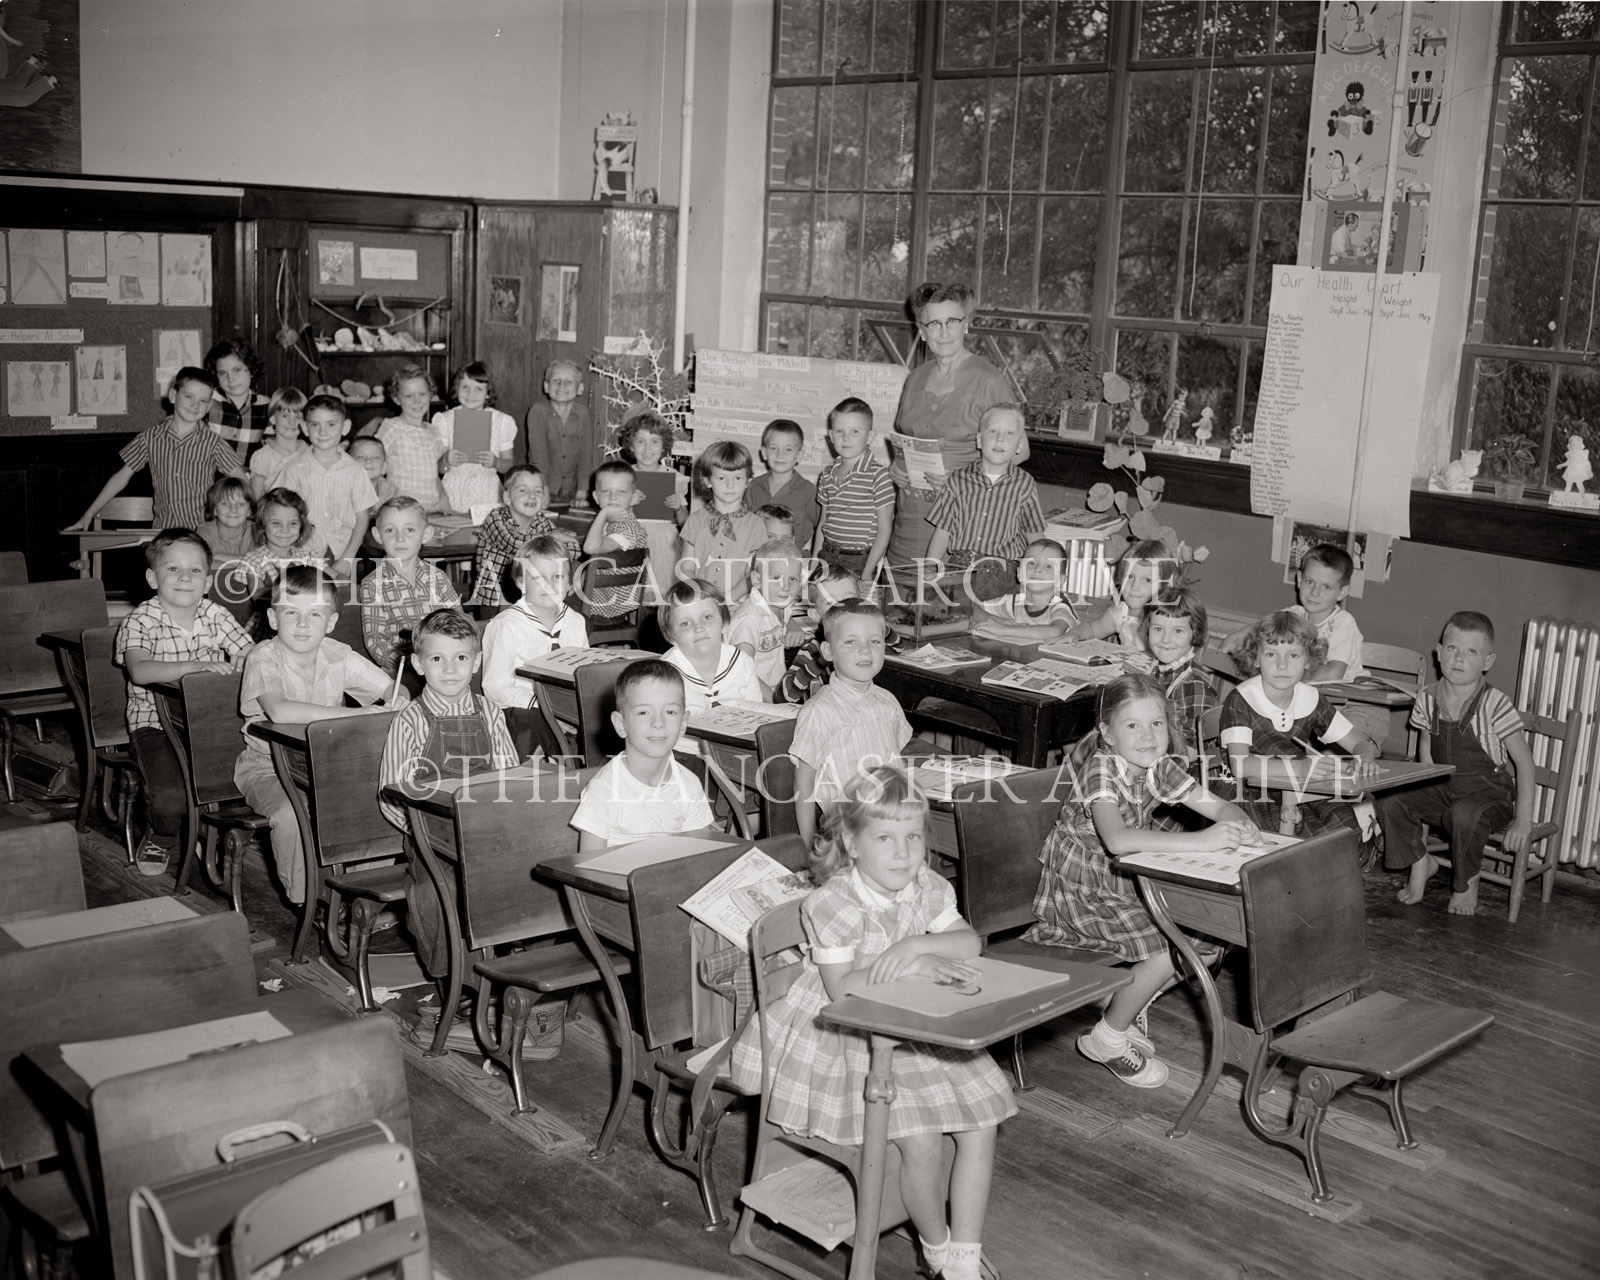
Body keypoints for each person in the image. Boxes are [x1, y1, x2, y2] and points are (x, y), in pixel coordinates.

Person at [728, 766, 1014, 1280]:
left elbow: (968, 942)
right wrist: (916, 964)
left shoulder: (924, 885)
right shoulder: (835, 901)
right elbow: (843, 988)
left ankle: (965, 1256)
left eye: (913, 837)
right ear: (851, 843)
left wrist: (915, 947)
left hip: (911, 1020)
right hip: (845, 1034)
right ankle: (938, 1249)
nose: (903, 853)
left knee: (981, 1123)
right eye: (885, 837)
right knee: (922, 1139)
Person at [1027, 675, 1260, 1087]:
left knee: (1209, 941)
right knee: (1176, 941)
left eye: (1156, 723)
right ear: (1107, 734)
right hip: (1083, 890)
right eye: (1132, 725)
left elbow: (1220, 806)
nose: (1148, 735)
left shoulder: (1159, 766)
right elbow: (1117, 841)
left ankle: (1121, 1008)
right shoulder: (1101, 770)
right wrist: (1203, 842)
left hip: (1128, 880)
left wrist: (1241, 824)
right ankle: (1109, 1038)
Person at [234, 565, 400, 905]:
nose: (303, 623)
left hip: (329, 768)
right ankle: (306, 900)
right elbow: (280, 711)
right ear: (273, 618)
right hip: (268, 768)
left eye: (315, 614)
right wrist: (356, 714)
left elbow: (392, 693)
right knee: (292, 815)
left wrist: (394, 703)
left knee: (383, 804)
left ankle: (362, 891)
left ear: (332, 621)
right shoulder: (263, 657)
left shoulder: (338, 653)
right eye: (291, 612)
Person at [380, 608, 520, 977]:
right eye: (437, 658)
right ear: (418, 663)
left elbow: (508, 777)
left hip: (484, 829)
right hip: (430, 835)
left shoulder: (489, 712)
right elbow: (392, 795)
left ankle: (509, 965)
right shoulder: (409, 720)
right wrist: (422, 836)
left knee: (528, 873)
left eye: (461, 658)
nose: (450, 668)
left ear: (476, 663)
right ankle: (452, 978)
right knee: (435, 894)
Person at [115, 529, 254, 877]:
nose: (184, 578)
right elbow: (140, 671)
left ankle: (214, 833)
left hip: (207, 722)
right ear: (152, 577)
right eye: (173, 569)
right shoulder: (140, 620)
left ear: (207, 581)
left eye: (195, 571)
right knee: (169, 797)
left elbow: (251, 654)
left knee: (246, 779)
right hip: (154, 724)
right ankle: (160, 837)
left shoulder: (216, 614)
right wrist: (197, 666)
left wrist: (247, 660)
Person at [1378, 612, 1536, 915]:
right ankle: (1420, 862)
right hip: (1444, 784)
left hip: (1491, 794)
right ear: (1439, 653)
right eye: (1452, 649)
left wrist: (1524, 820)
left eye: (1471, 652)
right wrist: (1423, 789)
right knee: (1389, 798)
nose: (1459, 658)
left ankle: (1467, 883)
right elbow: (1426, 747)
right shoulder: (1427, 698)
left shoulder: (1495, 703)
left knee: (1463, 814)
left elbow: (1524, 764)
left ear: (1487, 662)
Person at [889, 282, 1025, 562]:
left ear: (966, 324)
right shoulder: (915, 378)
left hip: (962, 526)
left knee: (945, 602)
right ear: (922, 330)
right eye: (934, 323)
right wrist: (897, 467)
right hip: (908, 522)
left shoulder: (988, 380)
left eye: (952, 321)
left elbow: (1021, 452)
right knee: (899, 601)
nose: (944, 332)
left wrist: (966, 481)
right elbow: (908, 440)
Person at [1219, 611, 1379, 837]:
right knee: (1273, 838)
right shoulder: (1241, 699)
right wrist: (1301, 767)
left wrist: (1365, 759)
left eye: (1293, 655)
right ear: (1256, 657)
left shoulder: (1311, 699)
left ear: (1308, 660)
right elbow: (1241, 766)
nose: (1282, 665)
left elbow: (1360, 742)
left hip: (1295, 787)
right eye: (1271, 654)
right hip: (1246, 791)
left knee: (1342, 828)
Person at [792, 597, 911, 845]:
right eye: (850, 642)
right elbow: (804, 782)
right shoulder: (820, 711)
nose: (865, 650)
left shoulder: (887, 701)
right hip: (845, 830)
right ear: (827, 651)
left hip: (894, 819)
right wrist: (805, 845)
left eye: (874, 641)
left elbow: (896, 759)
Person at [69, 367, 247, 533]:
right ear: (172, 396)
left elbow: (241, 480)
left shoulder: (213, 442)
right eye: (188, 397)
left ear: (208, 407)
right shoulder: (150, 438)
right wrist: (89, 514)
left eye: (203, 401)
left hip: (202, 533)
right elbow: (121, 478)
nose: (195, 405)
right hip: (163, 533)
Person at [570, 659, 718, 850]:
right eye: (643, 713)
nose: (658, 722)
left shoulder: (689, 785)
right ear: (621, 724)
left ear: (683, 723)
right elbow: (585, 871)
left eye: (670, 711)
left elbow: (698, 856)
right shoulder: (604, 790)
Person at [482, 537, 589, 756]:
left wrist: (570, 711)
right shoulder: (505, 626)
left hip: (565, 706)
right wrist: (548, 710)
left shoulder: (575, 622)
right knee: (532, 726)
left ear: (569, 584)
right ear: (521, 582)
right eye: (538, 577)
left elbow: (584, 676)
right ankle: (537, 783)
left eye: (558, 577)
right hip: (520, 708)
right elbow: (496, 688)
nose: (549, 585)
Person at [926, 404, 1044, 602]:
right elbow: (942, 532)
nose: (1000, 439)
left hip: (1003, 575)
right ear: (979, 440)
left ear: (1020, 445)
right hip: (959, 569)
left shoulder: (1024, 485)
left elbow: (1035, 536)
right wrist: (930, 569)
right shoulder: (957, 481)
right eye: (992, 431)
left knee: (993, 625)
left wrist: (1044, 574)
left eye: (1009, 433)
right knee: (955, 620)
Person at [360, 495, 462, 675]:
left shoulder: (437, 577)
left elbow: (458, 622)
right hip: (403, 669)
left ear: (427, 534)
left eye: (410, 530)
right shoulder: (373, 584)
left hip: (445, 663)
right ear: (377, 535)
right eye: (390, 530)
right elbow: (375, 640)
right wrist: (403, 663)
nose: (400, 538)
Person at [279, 394, 377, 576]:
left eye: (331, 424)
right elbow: (281, 511)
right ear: (305, 428)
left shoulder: (355, 470)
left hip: (342, 552)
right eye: (315, 425)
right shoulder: (295, 468)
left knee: (341, 600)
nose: (322, 432)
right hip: (303, 553)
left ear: (345, 427)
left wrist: (348, 558)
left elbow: (362, 518)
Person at [779, 563, 899, 704]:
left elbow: (897, 648)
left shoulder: (864, 641)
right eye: (830, 603)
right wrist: (819, 662)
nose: (843, 608)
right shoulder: (813, 649)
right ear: (815, 615)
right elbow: (783, 696)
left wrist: (876, 625)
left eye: (849, 600)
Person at [813, 397, 893, 581]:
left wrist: (867, 572)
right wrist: (813, 563)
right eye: (839, 431)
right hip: (827, 556)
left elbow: (884, 529)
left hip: (858, 562)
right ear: (831, 436)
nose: (846, 438)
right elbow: (823, 524)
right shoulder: (826, 474)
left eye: (855, 431)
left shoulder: (878, 475)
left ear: (870, 437)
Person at [222, 487, 328, 621]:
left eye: (293, 523)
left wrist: (341, 580)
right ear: (262, 525)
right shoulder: (255, 560)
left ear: (301, 526)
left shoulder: (308, 558)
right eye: (276, 523)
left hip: (306, 622)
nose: (285, 530)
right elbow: (258, 595)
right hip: (269, 624)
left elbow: (336, 577)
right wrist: (291, 593)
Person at [679, 440, 766, 603]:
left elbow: (753, 572)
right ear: (707, 481)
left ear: (748, 481)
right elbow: (686, 568)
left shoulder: (756, 525)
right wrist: (702, 595)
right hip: (700, 602)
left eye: (738, 477)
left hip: (739, 605)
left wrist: (727, 599)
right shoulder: (695, 520)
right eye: (721, 478)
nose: (730, 484)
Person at [467, 464, 562, 611]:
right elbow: (516, 544)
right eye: (523, 490)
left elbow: (572, 550)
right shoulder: (496, 518)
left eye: (538, 491)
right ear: (507, 497)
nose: (532, 496)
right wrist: (551, 539)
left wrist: (554, 542)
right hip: (493, 598)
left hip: (530, 596)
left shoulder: (541, 521)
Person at [659, 578, 762, 712]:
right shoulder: (665, 674)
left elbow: (757, 712)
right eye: (685, 624)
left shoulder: (742, 662)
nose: (698, 628)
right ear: (672, 637)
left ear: (724, 624)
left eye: (707, 617)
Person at [1140, 586, 1218, 764]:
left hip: (1179, 774)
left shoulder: (1194, 685)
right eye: (1158, 629)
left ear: (1195, 633)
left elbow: (1189, 753)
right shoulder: (1156, 670)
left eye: (1177, 631)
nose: (1166, 640)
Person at [617, 411, 683, 601]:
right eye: (640, 441)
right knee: (632, 594)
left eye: (655, 441)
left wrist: (678, 507)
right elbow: (612, 514)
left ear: (664, 446)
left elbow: (685, 521)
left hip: (663, 540)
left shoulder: (673, 476)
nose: (647, 448)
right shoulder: (624, 475)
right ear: (631, 445)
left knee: (662, 593)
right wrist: (627, 504)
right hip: (631, 537)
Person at [435, 360, 516, 513]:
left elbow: (509, 466)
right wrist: (446, 459)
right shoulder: (445, 420)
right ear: (456, 389)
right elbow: (438, 468)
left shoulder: (502, 422)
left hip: (487, 491)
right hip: (453, 489)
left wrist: (496, 462)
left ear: (488, 393)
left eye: (478, 389)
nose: (470, 394)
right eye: (465, 387)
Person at [727, 538, 805, 694]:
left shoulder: (778, 602)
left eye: (793, 579)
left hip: (775, 689)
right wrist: (775, 701)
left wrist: (792, 625)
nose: (786, 587)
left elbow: (784, 614)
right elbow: (742, 671)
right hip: (749, 696)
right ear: (756, 580)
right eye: (776, 578)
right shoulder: (749, 620)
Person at [1068, 539, 1177, 646]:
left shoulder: (1168, 617)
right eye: (1130, 576)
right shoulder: (1120, 612)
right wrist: (1075, 634)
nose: (1135, 586)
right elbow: (1092, 629)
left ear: (1166, 585)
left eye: (1147, 580)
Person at [970, 537, 1078, 643]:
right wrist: (998, 620)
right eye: (1031, 563)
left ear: (1061, 580)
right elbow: (970, 609)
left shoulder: (1060, 605)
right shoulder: (1014, 602)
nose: (1038, 569)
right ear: (1020, 573)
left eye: (1048, 566)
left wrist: (1003, 630)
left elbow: (1055, 631)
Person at [370, 365, 446, 509]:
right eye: (409, 396)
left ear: (430, 395)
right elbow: (375, 466)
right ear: (396, 399)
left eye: (422, 394)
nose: (417, 401)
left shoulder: (433, 431)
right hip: (401, 508)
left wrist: (443, 497)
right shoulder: (392, 428)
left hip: (431, 509)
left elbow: (433, 472)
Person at [580, 460, 649, 621]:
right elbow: (595, 560)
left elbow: (591, 548)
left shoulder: (627, 529)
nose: (613, 498)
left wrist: (602, 514)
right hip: (603, 595)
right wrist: (580, 579)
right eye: (606, 492)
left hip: (611, 604)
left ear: (634, 497)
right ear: (596, 497)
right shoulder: (611, 523)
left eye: (622, 492)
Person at [744, 418, 820, 550]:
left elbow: (822, 528)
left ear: (800, 455)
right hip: (757, 562)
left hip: (793, 564)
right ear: (764, 452)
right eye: (773, 448)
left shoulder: (808, 491)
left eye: (788, 450)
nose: (780, 455)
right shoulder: (752, 487)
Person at [525, 359, 593, 506]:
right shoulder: (538, 412)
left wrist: (582, 491)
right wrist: (542, 490)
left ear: (580, 388)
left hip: (573, 490)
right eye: (556, 381)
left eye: (569, 382)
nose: (562, 386)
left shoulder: (583, 413)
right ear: (546, 386)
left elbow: (585, 455)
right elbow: (538, 456)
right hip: (543, 486)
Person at [205, 337, 269, 462]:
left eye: (237, 370)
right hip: (210, 479)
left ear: (251, 369)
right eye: (222, 373)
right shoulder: (207, 401)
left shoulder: (267, 407)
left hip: (248, 479)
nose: (231, 379)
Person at [250, 387, 310, 498]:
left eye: (298, 417)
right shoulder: (262, 456)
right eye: (285, 416)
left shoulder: (310, 452)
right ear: (273, 419)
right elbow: (256, 498)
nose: (292, 422)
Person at [195, 475, 256, 564]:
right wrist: (242, 561)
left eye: (240, 504)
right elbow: (199, 561)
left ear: (249, 511)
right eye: (225, 503)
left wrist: (216, 556)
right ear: (215, 510)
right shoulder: (205, 530)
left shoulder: (254, 531)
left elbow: (257, 562)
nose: (233, 509)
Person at [347, 435, 399, 516]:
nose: (368, 461)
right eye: (360, 457)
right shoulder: (342, 489)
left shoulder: (389, 491)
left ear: (384, 467)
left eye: (375, 458)